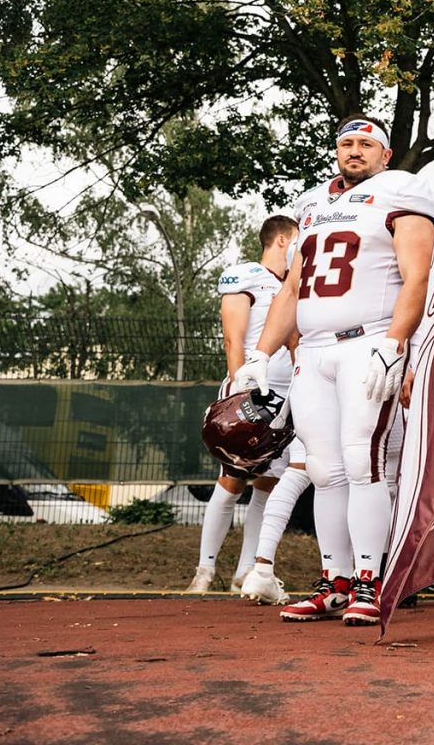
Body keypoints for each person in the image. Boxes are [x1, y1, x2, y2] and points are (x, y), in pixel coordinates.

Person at [234, 114, 434, 625]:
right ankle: (335, 581)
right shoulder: (311, 203)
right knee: (323, 470)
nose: (354, 151)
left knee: (364, 461)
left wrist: (396, 342)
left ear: (385, 154)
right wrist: (262, 354)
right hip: (314, 351)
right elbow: (291, 289)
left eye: (366, 143)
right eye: (347, 143)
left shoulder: (402, 189)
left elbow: (418, 275)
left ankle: (371, 580)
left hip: (368, 341)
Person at [186, 215, 301, 597]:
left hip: (286, 396)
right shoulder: (247, 276)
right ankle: (204, 570)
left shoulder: (295, 282)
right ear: (282, 240)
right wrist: (239, 390)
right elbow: (232, 338)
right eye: (296, 238)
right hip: (252, 390)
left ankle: (245, 571)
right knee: (232, 479)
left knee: (269, 483)